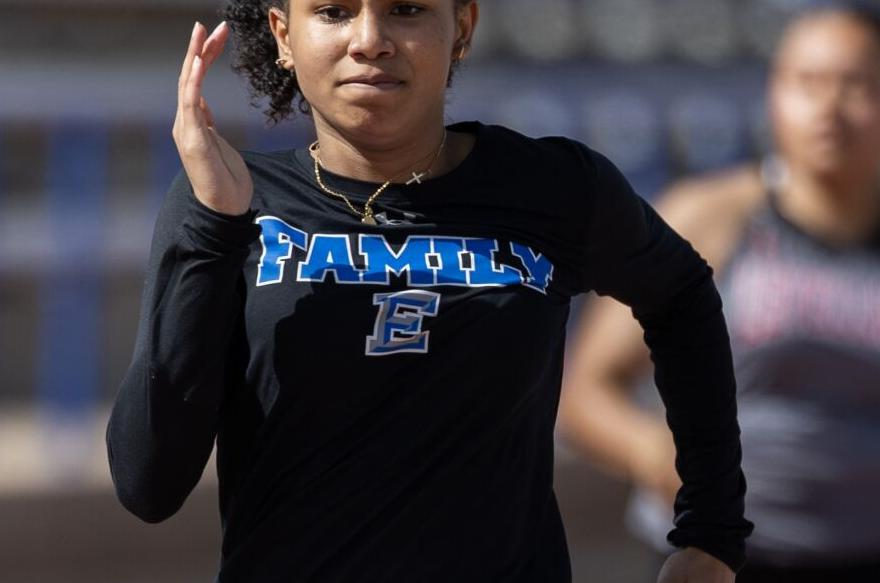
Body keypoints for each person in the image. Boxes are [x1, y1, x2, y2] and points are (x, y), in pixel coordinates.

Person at [104, 1, 752, 581]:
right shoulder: (230, 198)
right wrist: (215, 228)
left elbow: (683, 294)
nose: (370, 39)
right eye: (332, 12)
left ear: (461, 27)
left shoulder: (550, 187)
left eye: (406, 10)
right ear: (283, 34)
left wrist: (711, 533)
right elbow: (147, 484)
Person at [559, 3, 880, 583]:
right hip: (720, 559)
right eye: (807, 83)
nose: (830, 108)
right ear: (773, 97)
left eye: (858, 85)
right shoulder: (704, 221)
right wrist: (650, 450)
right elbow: (586, 392)